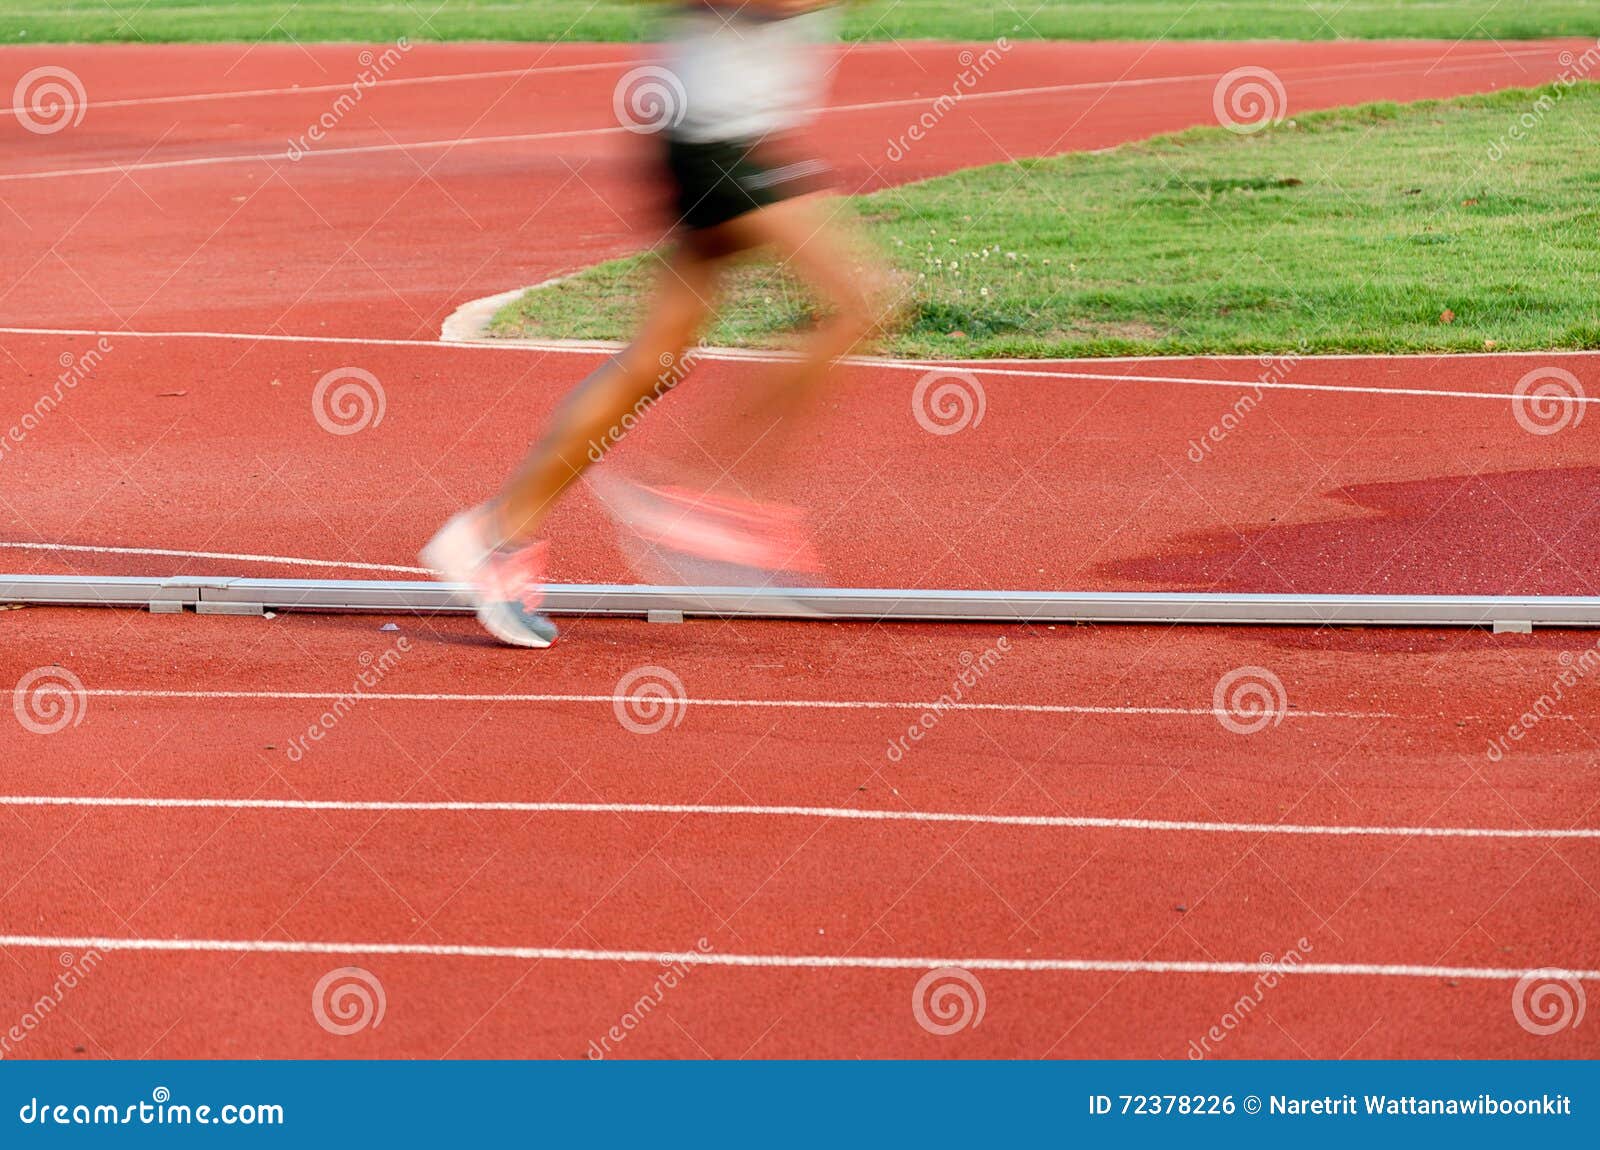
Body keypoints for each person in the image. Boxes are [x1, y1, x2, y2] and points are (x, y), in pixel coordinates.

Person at [423, 0, 888, 647]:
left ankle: (492, 535)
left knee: (655, 360)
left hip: (725, 137)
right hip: (717, 146)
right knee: (859, 306)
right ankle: (714, 495)